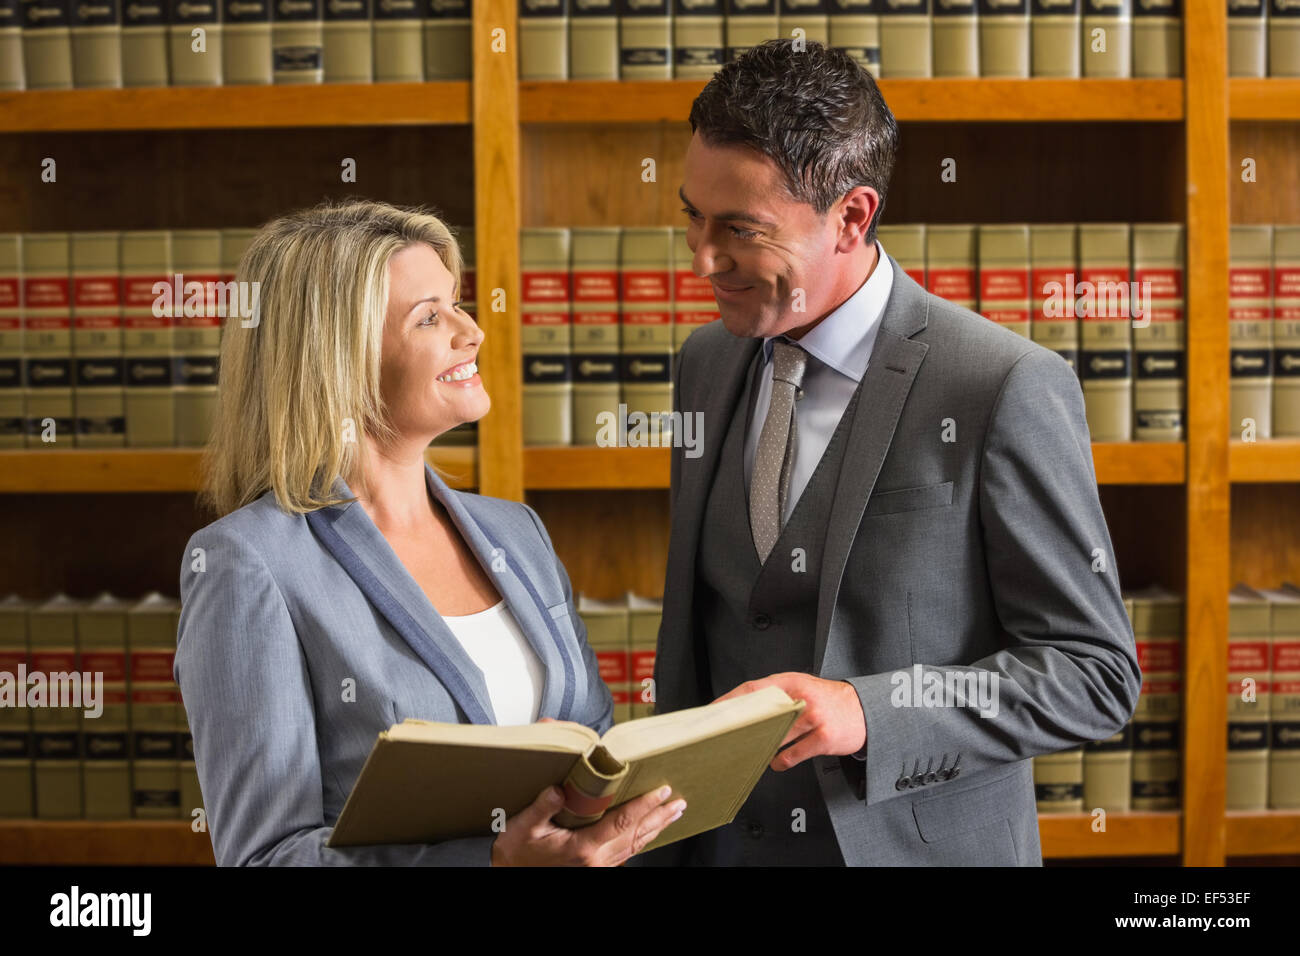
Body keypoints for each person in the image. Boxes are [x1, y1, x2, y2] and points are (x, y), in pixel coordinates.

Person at [643, 40, 1142, 866]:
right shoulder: (705, 362)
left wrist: (871, 714)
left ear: (853, 216)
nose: (701, 258)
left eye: (740, 229)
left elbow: (1093, 676)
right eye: (692, 216)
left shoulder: (1001, 384)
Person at [175, 199, 684, 865]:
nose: (470, 331)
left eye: (456, 303)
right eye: (429, 317)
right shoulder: (249, 562)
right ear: (339, 360)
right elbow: (266, 857)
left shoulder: (517, 531)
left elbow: (592, 739)